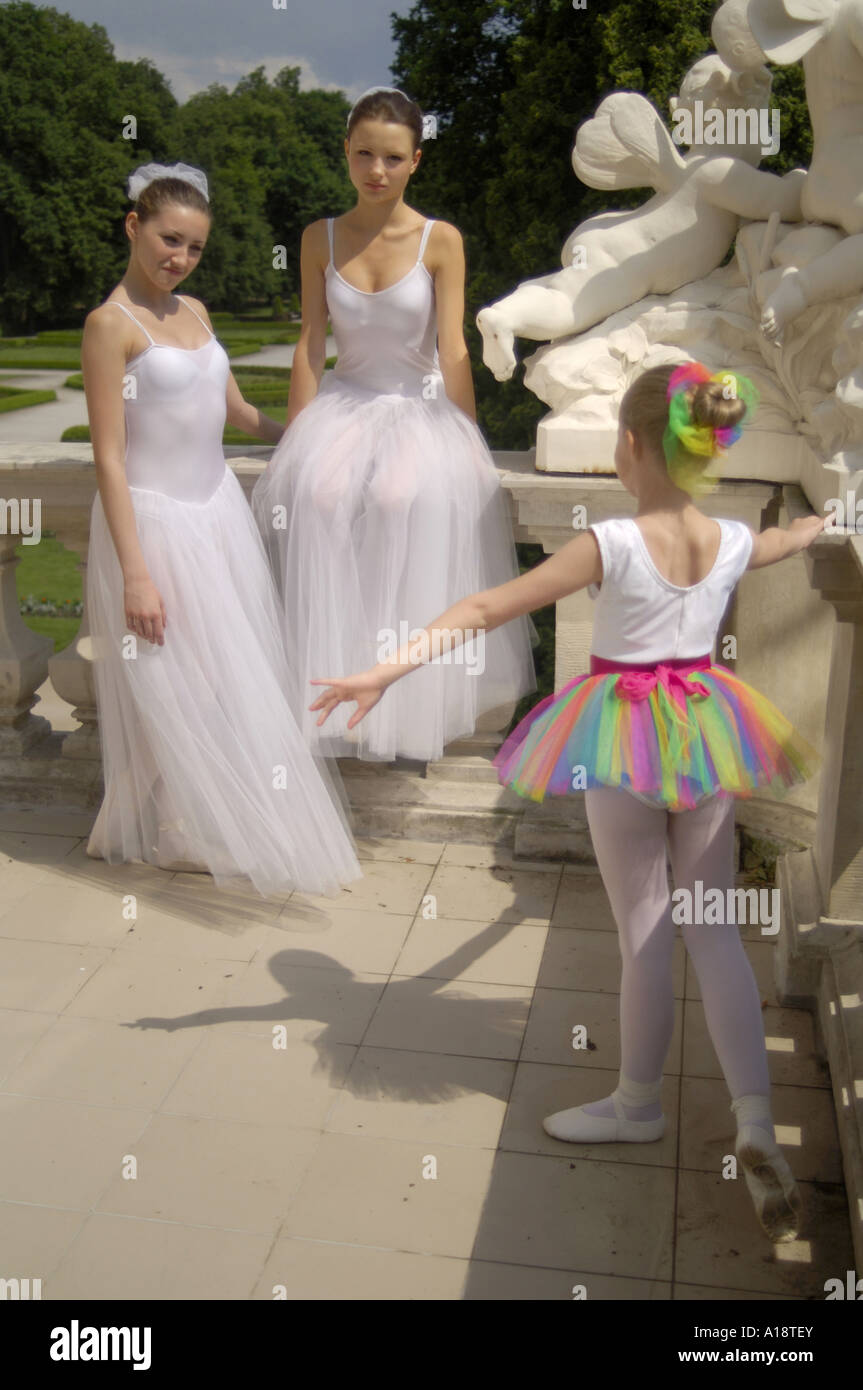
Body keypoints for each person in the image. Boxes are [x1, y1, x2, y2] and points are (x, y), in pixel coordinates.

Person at [307, 360, 825, 1243]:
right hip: (706, 729)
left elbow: (484, 604)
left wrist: (383, 670)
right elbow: (781, 544)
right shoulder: (732, 537)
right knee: (712, 928)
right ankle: (749, 1121)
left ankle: (634, 1104)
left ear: (629, 445)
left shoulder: (612, 544)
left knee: (644, 931)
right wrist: (821, 523)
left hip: (622, 735)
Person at [81, 162, 362, 898]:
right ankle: (169, 830)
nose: (180, 257)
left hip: (216, 520)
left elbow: (237, 414)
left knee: (207, 679)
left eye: (195, 247)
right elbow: (108, 459)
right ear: (133, 227)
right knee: (185, 680)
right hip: (154, 527)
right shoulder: (110, 325)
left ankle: (121, 822)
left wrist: (309, 437)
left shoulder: (196, 312)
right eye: (168, 240)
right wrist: (135, 570)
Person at [251, 87, 536, 761]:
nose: (376, 170)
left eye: (392, 157)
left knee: (395, 499)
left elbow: (453, 348)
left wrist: (469, 441)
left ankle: (398, 701)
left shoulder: (441, 240)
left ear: (415, 160)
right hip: (343, 404)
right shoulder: (317, 238)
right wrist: (296, 443)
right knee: (317, 498)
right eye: (363, 154)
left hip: (417, 404)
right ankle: (324, 694)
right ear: (346, 154)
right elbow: (309, 345)